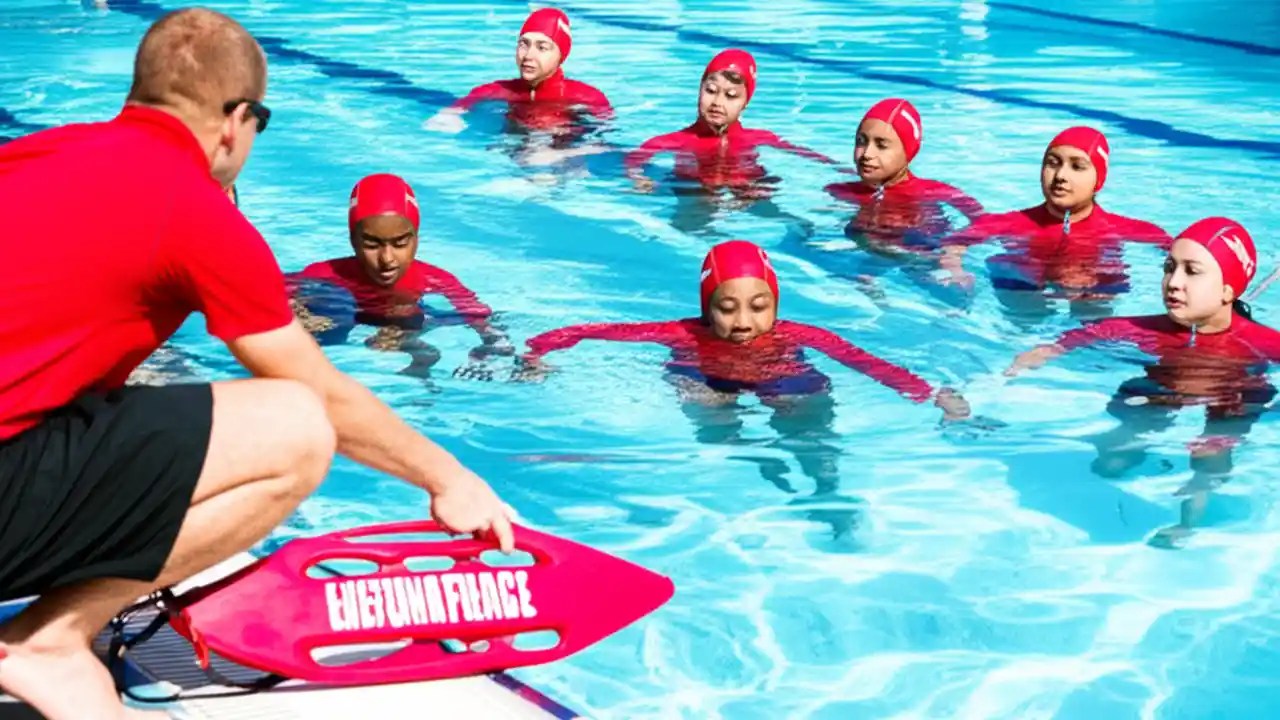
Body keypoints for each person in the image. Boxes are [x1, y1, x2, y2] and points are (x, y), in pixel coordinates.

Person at [0, 10, 513, 719]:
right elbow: (319, 391)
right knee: (295, 424)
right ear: (237, 120)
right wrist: (449, 478)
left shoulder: (34, 155)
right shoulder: (191, 207)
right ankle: (51, 640)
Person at [511, 240, 969, 542]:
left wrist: (930, 394)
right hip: (713, 379)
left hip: (780, 378)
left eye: (759, 306)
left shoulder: (798, 336)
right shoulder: (683, 333)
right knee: (701, 396)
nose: (744, 322)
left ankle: (826, 488)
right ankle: (763, 464)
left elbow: (865, 362)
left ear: (776, 302)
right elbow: (598, 331)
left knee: (806, 409)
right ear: (706, 306)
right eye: (726, 308)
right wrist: (535, 353)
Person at [1006, 217, 1278, 547]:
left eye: (1192, 271)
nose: (1173, 282)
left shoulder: (1259, 342)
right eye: (1169, 267)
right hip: (1164, 387)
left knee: (1209, 457)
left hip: (1234, 395)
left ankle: (1188, 521)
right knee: (1116, 442)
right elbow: (1098, 330)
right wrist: (1051, 349)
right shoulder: (1151, 328)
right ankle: (1125, 451)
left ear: (1227, 291)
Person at [289, 173, 512, 379]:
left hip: (402, 322)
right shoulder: (323, 275)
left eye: (400, 243)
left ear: (416, 239)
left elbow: (486, 323)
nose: (387, 259)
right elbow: (272, 299)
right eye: (371, 244)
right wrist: (301, 317)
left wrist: (489, 353)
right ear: (353, 240)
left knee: (411, 314)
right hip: (342, 318)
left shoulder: (435, 280)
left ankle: (415, 359)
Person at [939, 126, 1171, 319]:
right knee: (1020, 306)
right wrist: (954, 269)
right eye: (1053, 163)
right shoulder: (1013, 222)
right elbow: (956, 240)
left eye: (1077, 166)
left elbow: (1182, 251)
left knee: (1096, 307)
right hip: (1024, 293)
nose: (1060, 176)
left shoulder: (1124, 229)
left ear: (1098, 179)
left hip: (1091, 292)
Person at [788, 98, 984, 305]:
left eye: (881, 145)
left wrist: (953, 255)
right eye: (861, 141)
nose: (867, 154)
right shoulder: (840, 191)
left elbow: (984, 221)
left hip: (921, 250)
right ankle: (868, 283)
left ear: (908, 151)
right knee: (794, 242)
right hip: (871, 254)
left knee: (955, 296)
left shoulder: (934, 191)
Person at [623, 49, 836, 237]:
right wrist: (638, 177)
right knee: (692, 212)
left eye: (731, 96)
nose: (717, 102)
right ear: (699, 90)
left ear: (745, 104)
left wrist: (837, 173)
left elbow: (804, 154)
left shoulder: (757, 137)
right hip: (696, 187)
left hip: (746, 186)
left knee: (770, 203)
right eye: (711, 90)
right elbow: (637, 156)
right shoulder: (679, 140)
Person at [424, 8, 611, 136]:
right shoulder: (497, 90)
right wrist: (450, 115)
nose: (528, 55)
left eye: (542, 47)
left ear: (560, 55)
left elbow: (603, 138)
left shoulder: (588, 98)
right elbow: (460, 106)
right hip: (513, 149)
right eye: (524, 44)